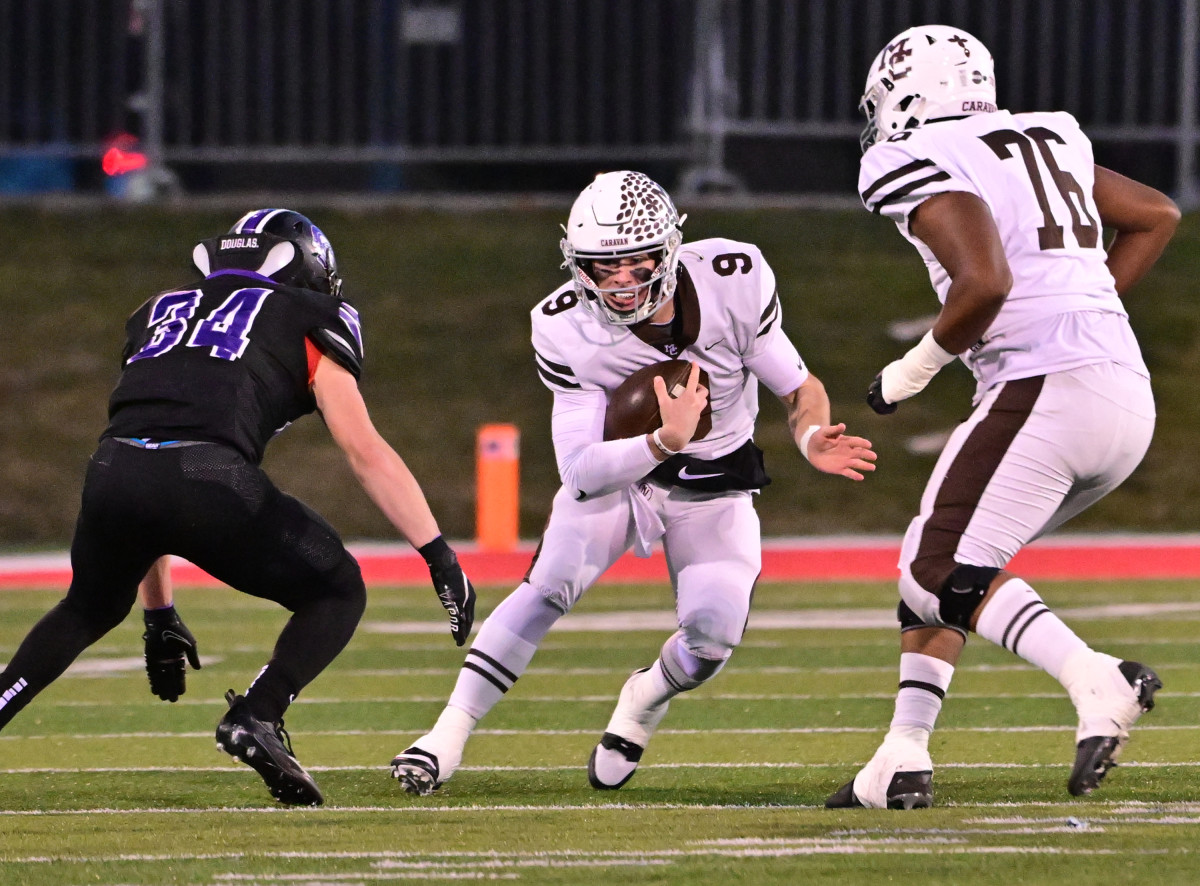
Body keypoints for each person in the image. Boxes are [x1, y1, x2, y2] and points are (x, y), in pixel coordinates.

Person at [390, 170, 877, 795]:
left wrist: (810, 439)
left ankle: (644, 699)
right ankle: (444, 738)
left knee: (713, 634)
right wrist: (660, 441)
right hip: (624, 474)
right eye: (602, 266)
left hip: (715, 481)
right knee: (549, 584)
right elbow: (580, 475)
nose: (619, 281)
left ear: (668, 249)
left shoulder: (735, 280)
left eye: (635, 261)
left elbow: (798, 386)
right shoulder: (563, 325)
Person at [0, 209, 476, 806]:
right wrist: (436, 554)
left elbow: (152, 443)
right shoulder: (311, 316)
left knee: (85, 609)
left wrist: (158, 613)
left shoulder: (157, 312)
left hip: (112, 470)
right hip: (207, 475)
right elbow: (363, 449)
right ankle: (259, 714)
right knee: (337, 590)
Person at [826, 25, 1180, 810]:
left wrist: (907, 374)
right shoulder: (1045, 134)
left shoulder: (903, 157)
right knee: (942, 564)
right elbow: (1156, 214)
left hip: (1046, 388)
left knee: (935, 567)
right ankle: (901, 756)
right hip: (1124, 392)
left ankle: (1098, 678)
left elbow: (984, 282)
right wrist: (1085, 307)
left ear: (906, 96)